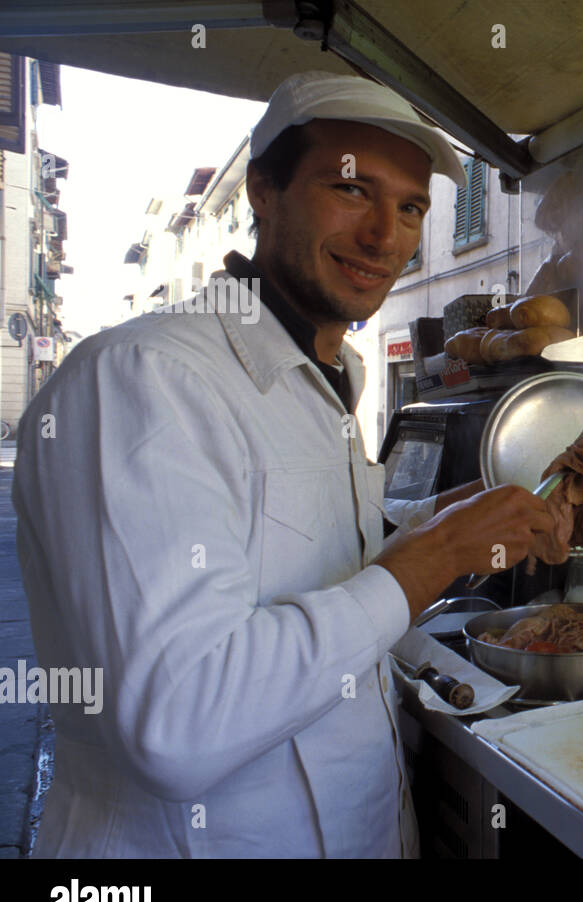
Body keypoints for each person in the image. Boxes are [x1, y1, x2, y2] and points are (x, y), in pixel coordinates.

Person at [12, 72, 554, 858]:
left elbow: (311, 564)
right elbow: (177, 717)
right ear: (263, 192)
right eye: (351, 189)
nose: (385, 236)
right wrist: (434, 558)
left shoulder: (334, 376)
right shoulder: (140, 377)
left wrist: (444, 524)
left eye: (410, 207)